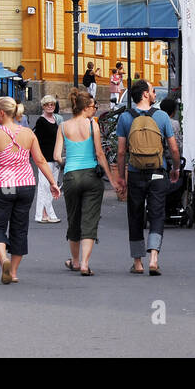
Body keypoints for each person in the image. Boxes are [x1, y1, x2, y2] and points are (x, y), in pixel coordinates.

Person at [0, 96, 60, 285]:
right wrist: (52, 182)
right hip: (26, 185)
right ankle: (15, 272)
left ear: (2, 113)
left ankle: (4, 260)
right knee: (20, 228)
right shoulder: (28, 133)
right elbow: (40, 160)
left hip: (2, 185)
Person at [115, 80, 179, 275]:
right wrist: (176, 167)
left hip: (135, 172)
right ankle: (153, 258)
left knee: (135, 215)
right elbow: (173, 148)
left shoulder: (125, 118)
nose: (154, 94)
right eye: (152, 91)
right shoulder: (161, 117)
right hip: (158, 171)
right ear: (145, 94)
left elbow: (120, 152)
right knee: (157, 214)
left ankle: (137, 263)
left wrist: (120, 177)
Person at [56, 87, 120, 275]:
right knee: (90, 221)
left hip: (71, 176)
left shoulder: (63, 127)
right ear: (85, 108)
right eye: (93, 106)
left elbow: (56, 155)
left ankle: (74, 261)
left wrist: (68, 161)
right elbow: (100, 154)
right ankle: (84, 264)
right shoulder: (93, 125)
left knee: (74, 219)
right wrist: (111, 179)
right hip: (91, 176)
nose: (95, 109)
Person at [32, 95, 63, 223]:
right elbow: (36, 141)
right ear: (43, 106)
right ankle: (42, 214)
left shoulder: (56, 120)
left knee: (53, 186)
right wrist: (38, 157)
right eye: (47, 104)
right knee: (44, 186)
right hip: (44, 158)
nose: (50, 106)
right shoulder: (41, 121)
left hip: (54, 158)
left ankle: (46, 213)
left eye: (52, 104)